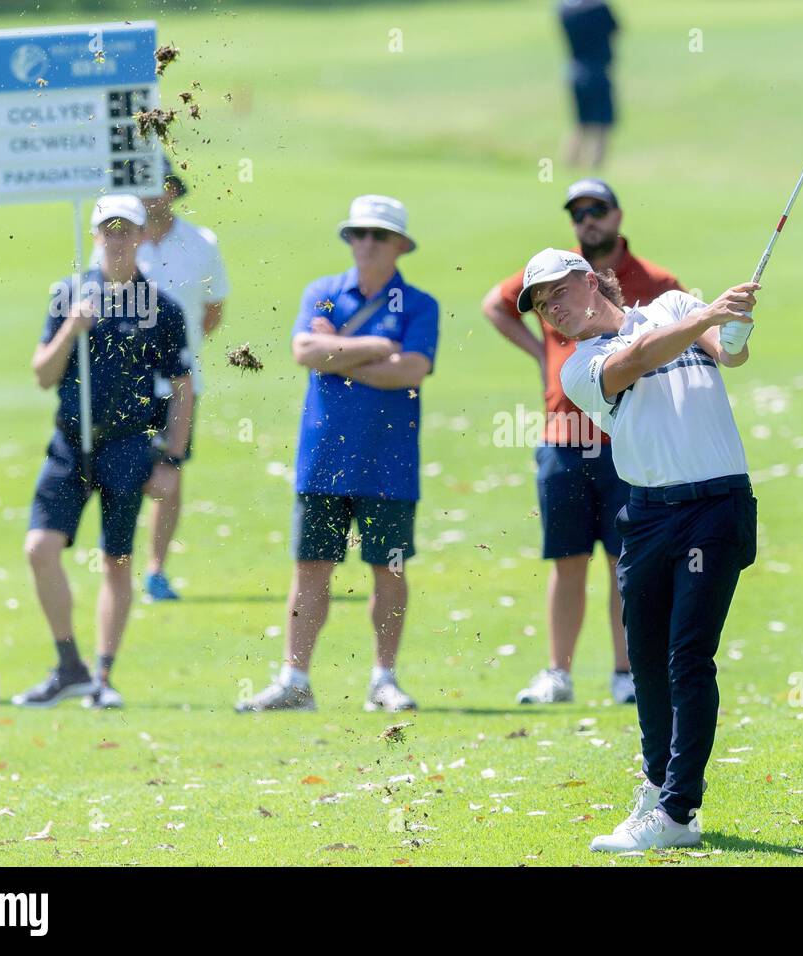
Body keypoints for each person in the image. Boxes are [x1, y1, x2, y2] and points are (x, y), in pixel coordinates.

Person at [520, 248, 758, 852]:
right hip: (649, 514)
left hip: (716, 505)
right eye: (543, 307)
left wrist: (733, 323)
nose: (553, 311)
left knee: (687, 655)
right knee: (647, 659)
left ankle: (677, 810)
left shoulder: (673, 306)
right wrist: (707, 316)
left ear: (586, 280)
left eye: (557, 294)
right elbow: (637, 359)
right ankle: (657, 788)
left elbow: (729, 354)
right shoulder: (580, 366)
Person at [482, 178, 682, 706]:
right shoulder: (552, 279)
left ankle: (626, 672)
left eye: (596, 210)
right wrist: (540, 355)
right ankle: (558, 673)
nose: (586, 220)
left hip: (625, 440)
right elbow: (494, 304)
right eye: (577, 213)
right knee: (567, 559)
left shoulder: (657, 281)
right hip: (562, 437)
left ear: (617, 214)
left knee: (626, 561)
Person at [235, 195, 439, 713]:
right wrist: (377, 348)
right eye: (358, 234)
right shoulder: (323, 294)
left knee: (388, 569)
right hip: (324, 457)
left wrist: (341, 353)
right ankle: (295, 680)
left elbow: (411, 369)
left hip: (389, 461)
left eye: (377, 235)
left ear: (399, 245)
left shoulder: (419, 304)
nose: (365, 243)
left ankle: (384, 679)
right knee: (310, 568)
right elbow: (305, 351)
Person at [13, 195, 193, 710]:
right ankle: (70, 666)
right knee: (39, 549)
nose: (116, 239)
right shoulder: (67, 295)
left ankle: (104, 677)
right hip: (70, 446)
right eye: (107, 230)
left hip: (127, 446)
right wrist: (72, 327)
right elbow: (43, 376)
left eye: (126, 230)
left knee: (116, 561)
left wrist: (171, 460)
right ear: (94, 235)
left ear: (141, 236)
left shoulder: (161, 306)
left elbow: (182, 389)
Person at [131, 164, 229, 601]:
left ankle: (156, 569)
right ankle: (118, 563)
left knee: (169, 475)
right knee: (122, 472)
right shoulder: (118, 240)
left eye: (154, 186)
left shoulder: (201, 243)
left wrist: (177, 353)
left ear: (171, 191)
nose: (148, 194)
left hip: (179, 384)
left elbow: (213, 310)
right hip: (126, 381)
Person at [558, 0, 619, 168]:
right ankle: (595, 169)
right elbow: (615, 29)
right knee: (601, 125)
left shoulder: (564, 8)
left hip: (574, 71)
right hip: (597, 71)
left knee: (580, 123)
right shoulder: (599, 8)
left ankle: (570, 166)